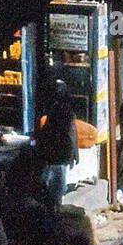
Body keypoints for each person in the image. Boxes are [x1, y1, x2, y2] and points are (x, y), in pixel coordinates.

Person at [36, 78, 78, 207]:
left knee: (54, 183)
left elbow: (71, 133)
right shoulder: (64, 110)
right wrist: (74, 153)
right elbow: (72, 134)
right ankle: (55, 208)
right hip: (60, 153)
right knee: (56, 184)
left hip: (57, 152)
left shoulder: (56, 110)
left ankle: (53, 208)